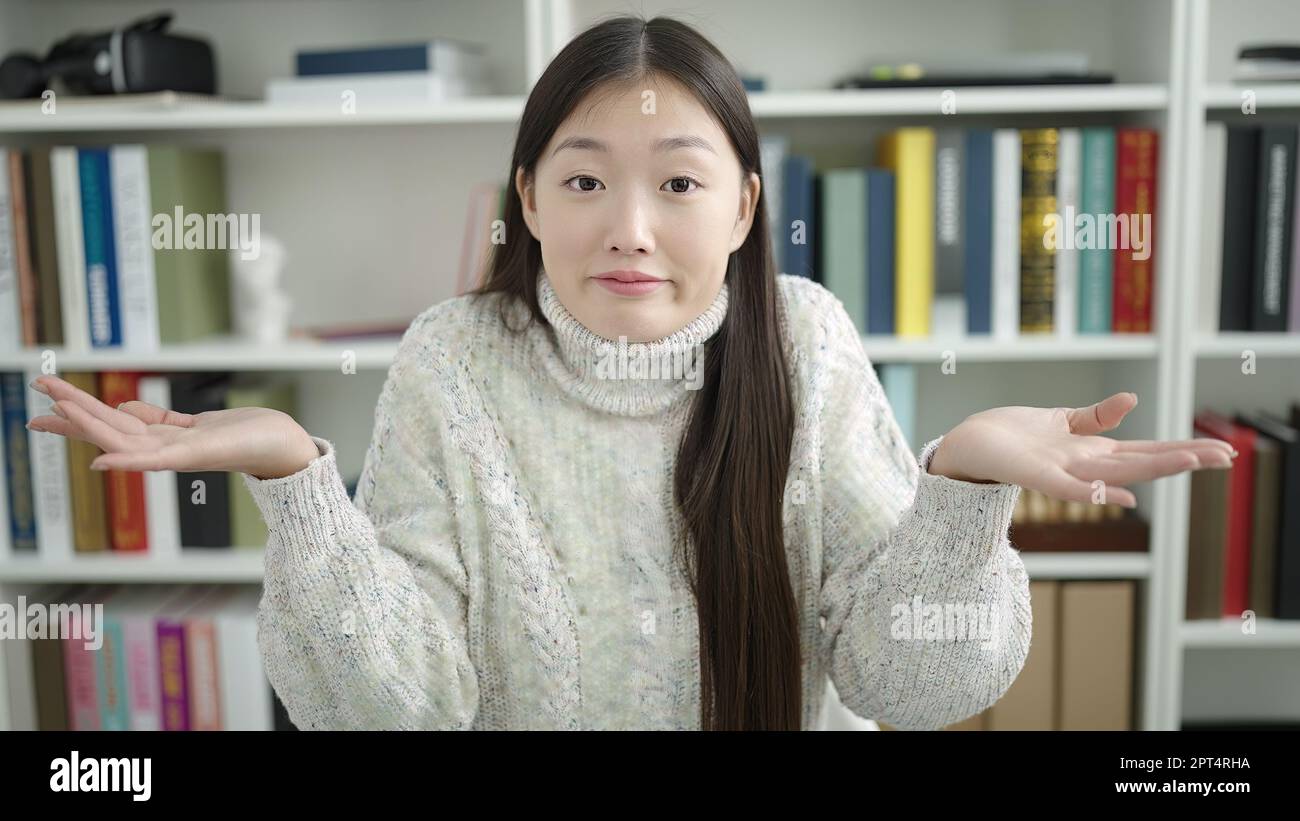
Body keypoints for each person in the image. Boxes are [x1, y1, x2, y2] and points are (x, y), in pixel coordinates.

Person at [25, 15, 1235, 731]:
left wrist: (963, 489)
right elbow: (400, 705)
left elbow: (908, 680)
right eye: (587, 178)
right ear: (530, 201)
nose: (632, 228)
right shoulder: (452, 360)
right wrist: (297, 482)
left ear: (749, 205)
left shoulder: (804, 338)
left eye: (680, 180)